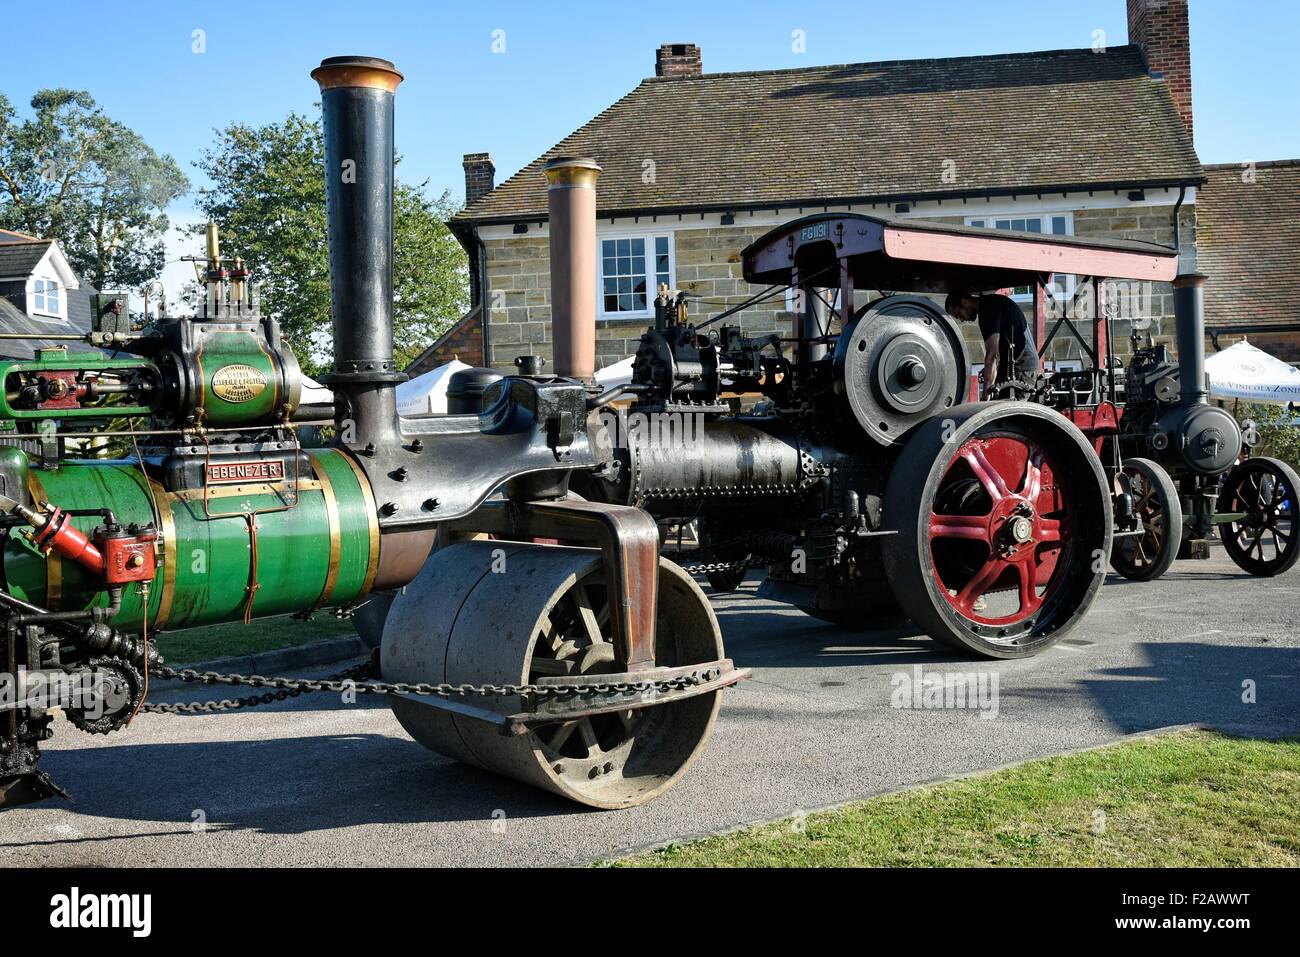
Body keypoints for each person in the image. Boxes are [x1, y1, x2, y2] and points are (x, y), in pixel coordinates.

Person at [945, 291, 1041, 394]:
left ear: (964, 302)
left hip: (1020, 369)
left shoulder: (988, 310)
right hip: (1021, 366)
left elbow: (992, 356)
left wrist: (985, 395)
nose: (961, 319)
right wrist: (989, 370)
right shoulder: (993, 302)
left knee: (1004, 404)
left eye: (959, 314)